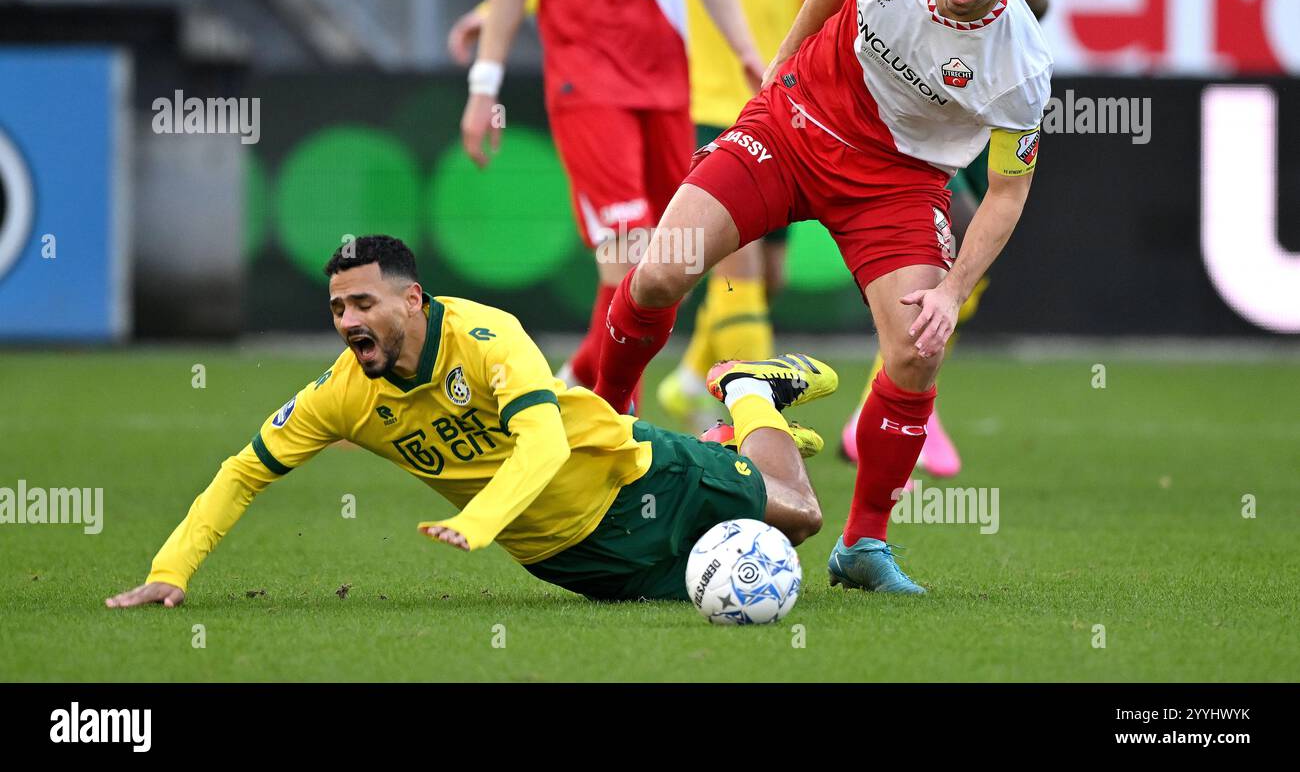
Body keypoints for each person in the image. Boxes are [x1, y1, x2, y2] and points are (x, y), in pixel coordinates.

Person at [590, 0, 1053, 594]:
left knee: (916, 349)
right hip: (793, 126)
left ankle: (863, 543)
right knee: (659, 272)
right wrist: (782, 62)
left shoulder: (1020, 65)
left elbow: (1008, 190)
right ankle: (605, 421)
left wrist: (954, 291)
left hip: (896, 185)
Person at [105, 236, 835, 609]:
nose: (348, 321)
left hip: (633, 471)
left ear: (412, 300)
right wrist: (170, 573)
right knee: (745, 580)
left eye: (363, 303)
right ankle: (727, 435)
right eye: (337, 309)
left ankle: (745, 390)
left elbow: (544, 441)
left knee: (799, 519)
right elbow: (243, 473)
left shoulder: (488, 337)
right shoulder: (341, 397)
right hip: (572, 561)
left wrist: (480, 522)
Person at [458, 0, 764, 411]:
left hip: (669, 81)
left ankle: (569, 384)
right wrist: (482, 86)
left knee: (670, 261)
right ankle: (619, 428)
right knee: (626, 248)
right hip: (587, 79)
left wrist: (747, 50)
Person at [797, 0, 1050, 474]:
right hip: (862, 98)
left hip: (950, 120)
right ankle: (892, 392)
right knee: (757, 263)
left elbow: (1038, 4)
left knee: (967, 254)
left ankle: (894, 395)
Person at [656, 0, 838, 433]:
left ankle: (691, 378)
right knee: (740, 271)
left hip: (785, 108)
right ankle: (758, 422)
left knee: (767, 277)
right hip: (701, 104)